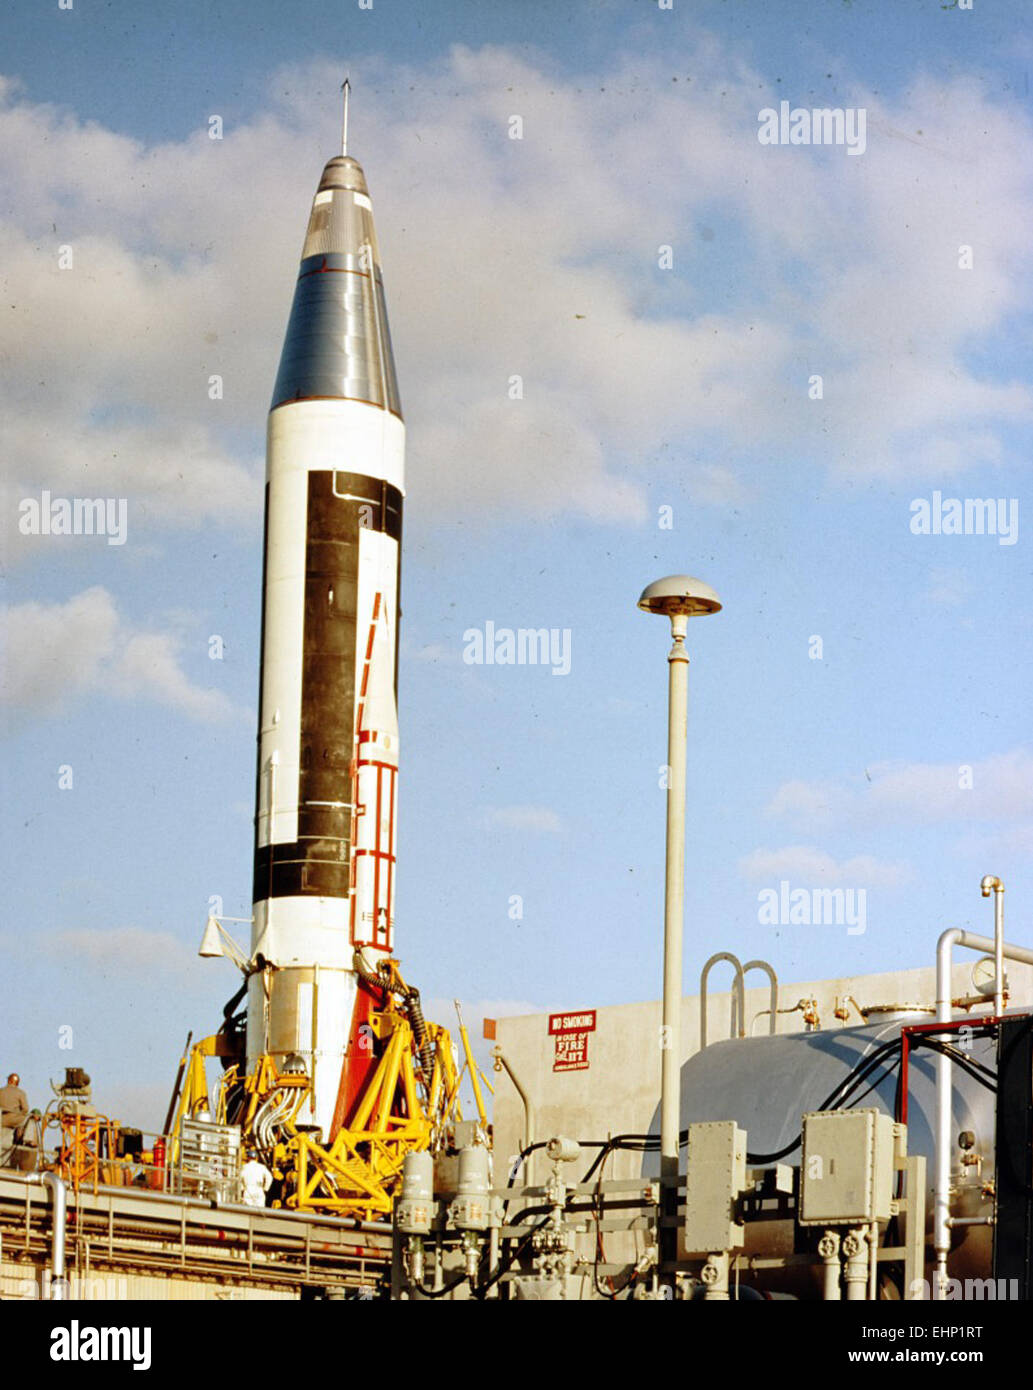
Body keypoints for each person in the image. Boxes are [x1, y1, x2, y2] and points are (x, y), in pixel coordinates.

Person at [0, 1073, 29, 1140]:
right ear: (17, 1083)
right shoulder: (21, 1093)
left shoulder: (1, 1091)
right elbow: (25, 1109)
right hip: (14, 1120)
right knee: (30, 1117)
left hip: (1, 1119)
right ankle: (26, 1139)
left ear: (9, 1081)